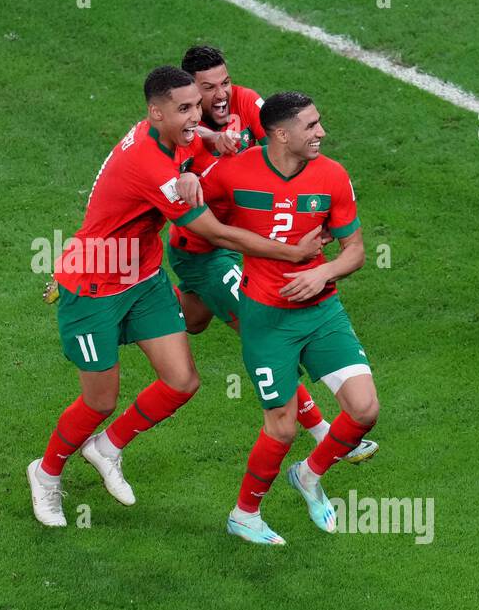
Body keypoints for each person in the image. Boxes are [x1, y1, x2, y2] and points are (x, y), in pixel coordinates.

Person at [28, 67, 320, 528]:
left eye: (195, 106)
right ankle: (45, 475)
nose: (194, 115)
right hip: (92, 287)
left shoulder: (159, 130)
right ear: (155, 111)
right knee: (99, 401)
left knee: (182, 381)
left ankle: (107, 448)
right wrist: (292, 252)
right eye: (184, 109)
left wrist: (209, 138)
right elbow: (216, 233)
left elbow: (190, 137)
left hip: (141, 279)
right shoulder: (150, 166)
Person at [200, 92, 378, 545]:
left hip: (322, 312)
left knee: (364, 409)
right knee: (280, 425)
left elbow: (354, 250)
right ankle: (245, 515)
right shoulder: (232, 173)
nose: (321, 132)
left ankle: (308, 474)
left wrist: (323, 272)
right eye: (312, 125)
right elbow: (200, 223)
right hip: (266, 319)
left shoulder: (333, 175)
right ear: (281, 134)